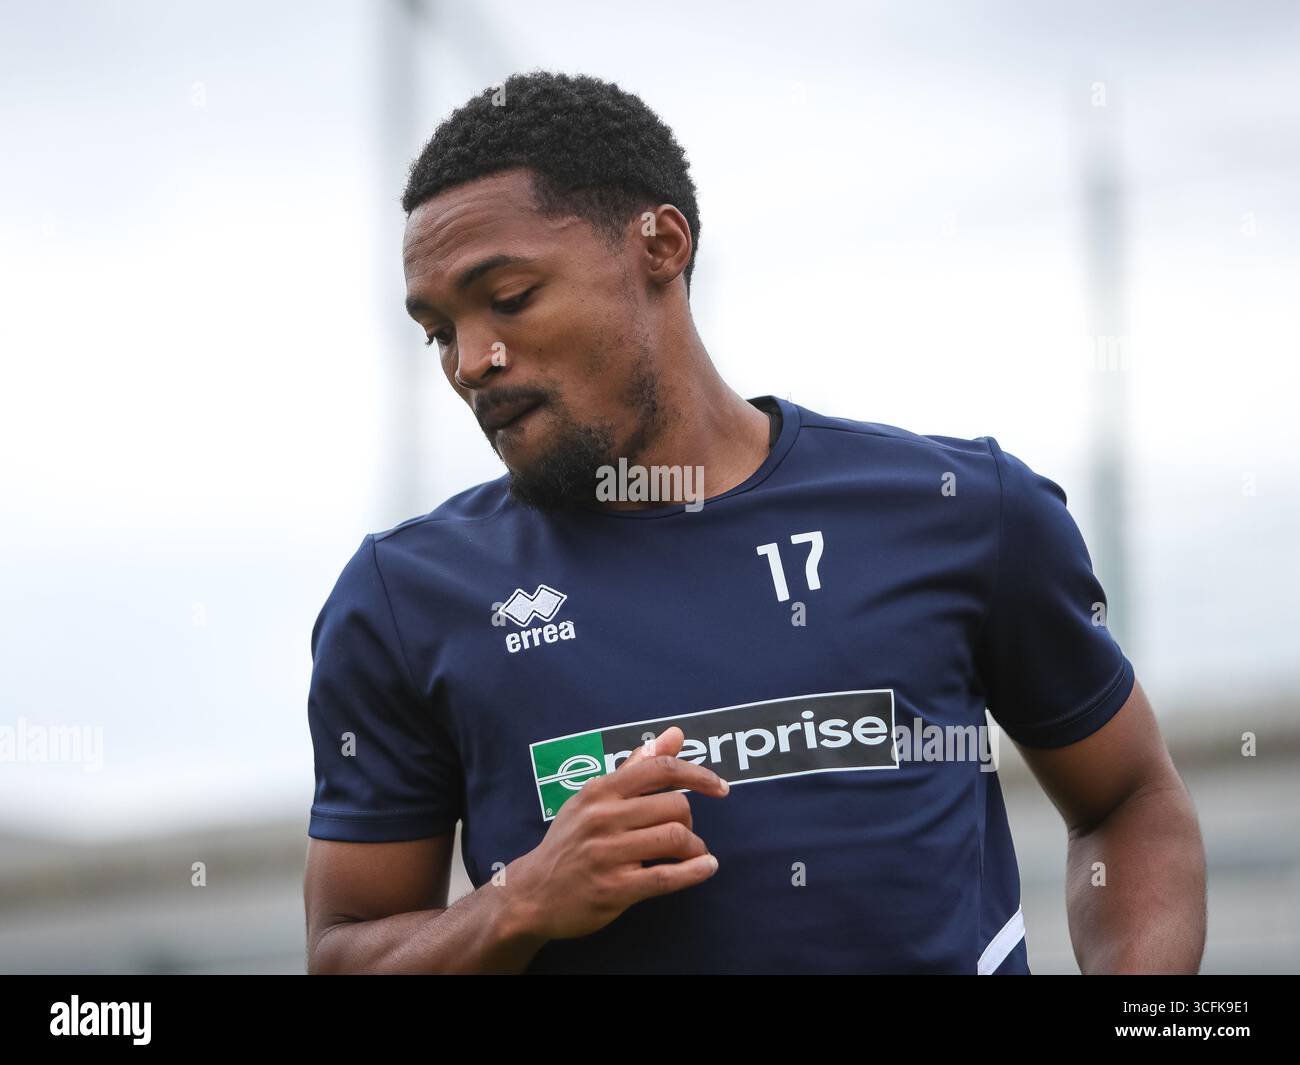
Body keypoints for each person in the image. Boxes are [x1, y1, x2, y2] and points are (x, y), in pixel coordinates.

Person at [302, 71, 1205, 974]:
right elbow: (343, 954)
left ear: (660, 244)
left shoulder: (961, 510)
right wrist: (520, 901)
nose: (471, 362)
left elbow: (1128, 802)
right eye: (437, 331)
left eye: (507, 298)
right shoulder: (403, 601)